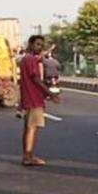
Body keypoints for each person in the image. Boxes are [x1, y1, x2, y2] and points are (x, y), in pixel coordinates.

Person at [19, 35, 60, 166]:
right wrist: (50, 94)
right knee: (32, 128)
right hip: (34, 98)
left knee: (27, 128)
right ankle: (28, 156)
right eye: (37, 44)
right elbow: (36, 79)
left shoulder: (26, 59)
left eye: (41, 45)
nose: (40, 47)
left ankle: (26, 155)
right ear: (30, 45)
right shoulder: (31, 60)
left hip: (29, 98)